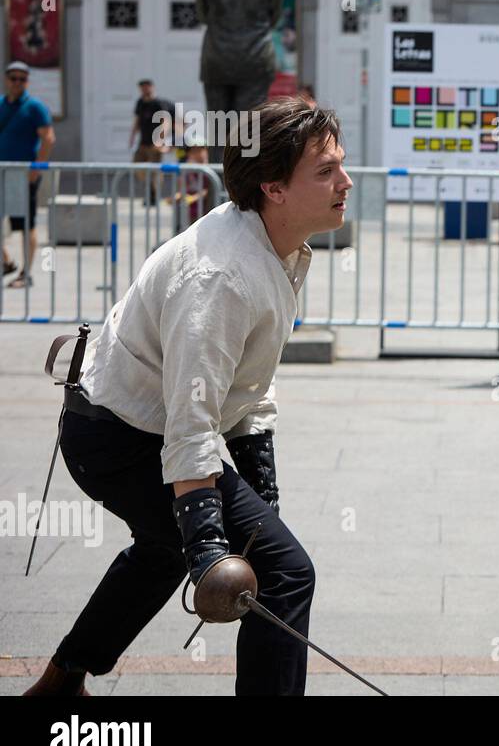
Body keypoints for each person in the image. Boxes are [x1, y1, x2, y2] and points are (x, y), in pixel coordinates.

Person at [24, 98, 352, 697]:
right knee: (284, 571)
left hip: (145, 426)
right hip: (117, 437)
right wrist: (206, 543)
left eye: (342, 165)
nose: (346, 182)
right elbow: (191, 419)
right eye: (326, 170)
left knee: (160, 550)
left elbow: (248, 384)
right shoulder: (222, 276)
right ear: (274, 187)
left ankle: (59, 681)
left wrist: (261, 493)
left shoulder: (273, 247)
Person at [0, 60, 55, 289]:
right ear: (7, 79)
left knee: (25, 225)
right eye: (14, 78)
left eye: (22, 79)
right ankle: (7, 262)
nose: (17, 83)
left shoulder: (34, 107)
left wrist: (36, 168)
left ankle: (26, 273)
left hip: (22, 175)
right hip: (2, 171)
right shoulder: (2, 104)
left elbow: (48, 138)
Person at [129, 79, 175, 206]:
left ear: (152, 87)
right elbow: (137, 120)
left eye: (147, 86)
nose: (145, 89)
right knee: (138, 168)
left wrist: (160, 139)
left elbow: (165, 122)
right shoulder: (140, 103)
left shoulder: (158, 103)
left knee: (154, 171)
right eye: (142, 87)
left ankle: (152, 196)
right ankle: (150, 192)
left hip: (154, 145)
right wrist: (132, 136)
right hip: (143, 143)